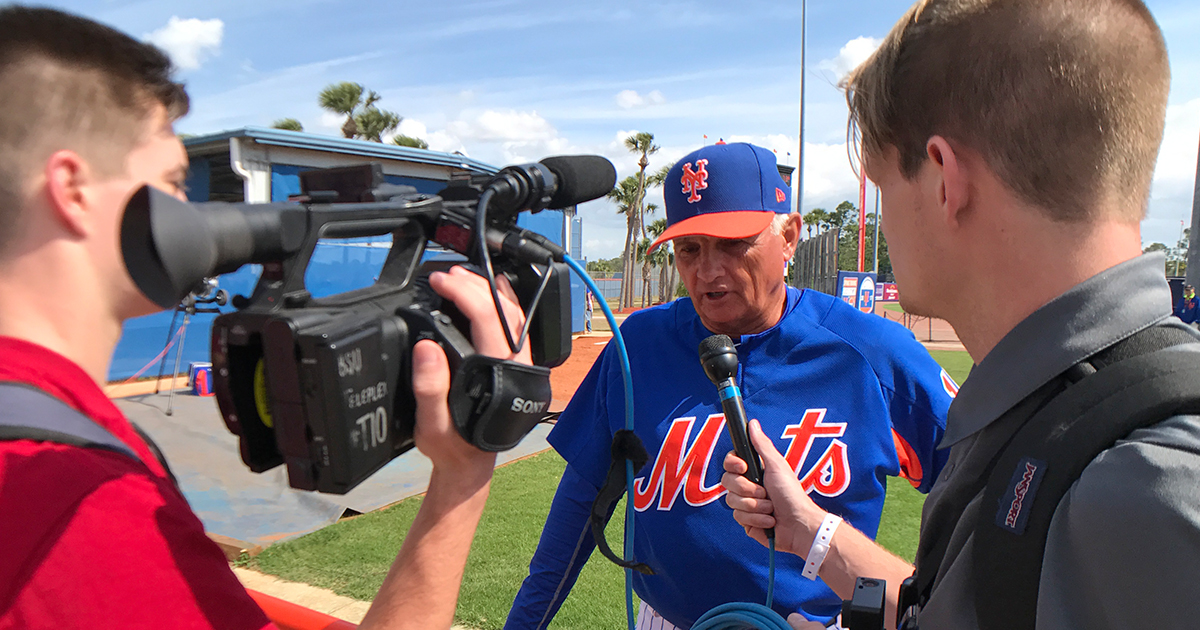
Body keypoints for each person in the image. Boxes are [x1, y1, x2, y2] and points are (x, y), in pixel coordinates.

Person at [0, 7, 529, 628]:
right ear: (75, 188)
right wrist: (464, 475)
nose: (187, 210)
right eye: (172, 182)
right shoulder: (73, 504)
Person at [723, 1, 1200, 629]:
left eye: (884, 183)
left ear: (944, 178)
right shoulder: (1057, 407)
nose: (885, 218)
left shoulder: (1143, 488)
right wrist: (810, 530)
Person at [505, 142, 955, 629]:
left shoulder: (870, 351)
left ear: (788, 237)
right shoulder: (637, 345)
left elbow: (983, 485)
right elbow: (580, 502)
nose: (707, 271)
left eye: (733, 243)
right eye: (689, 248)